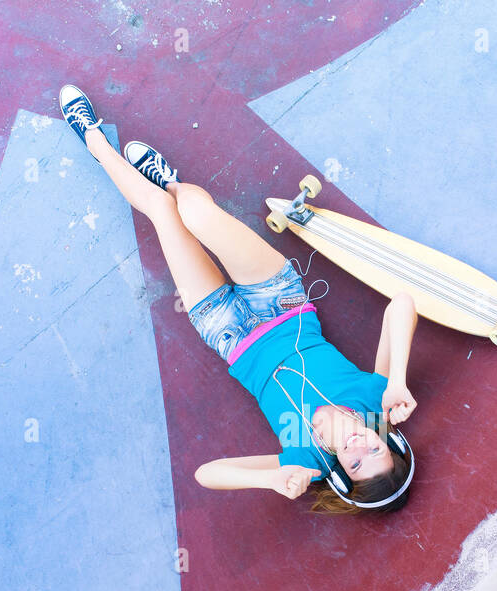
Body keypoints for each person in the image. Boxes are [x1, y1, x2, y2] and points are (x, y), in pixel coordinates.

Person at [59, 85, 418, 514]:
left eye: (357, 465)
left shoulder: (311, 462)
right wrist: (397, 378)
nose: (361, 448)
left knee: (160, 213)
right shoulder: (376, 402)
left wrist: (272, 479)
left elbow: (207, 474)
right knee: (193, 212)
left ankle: (92, 137)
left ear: (342, 473)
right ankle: (174, 183)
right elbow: (400, 304)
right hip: (283, 306)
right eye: (377, 452)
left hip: (229, 334)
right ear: (389, 440)